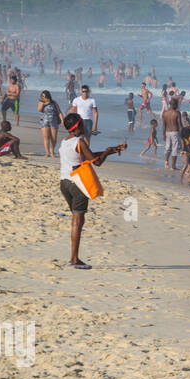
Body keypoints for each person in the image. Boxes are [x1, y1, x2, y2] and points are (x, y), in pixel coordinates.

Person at [58, 112, 126, 270]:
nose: (84, 127)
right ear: (77, 127)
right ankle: (74, 259)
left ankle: (74, 257)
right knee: (78, 221)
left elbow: (88, 157)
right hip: (78, 184)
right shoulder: (80, 141)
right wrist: (108, 151)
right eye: (81, 124)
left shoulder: (64, 142)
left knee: (76, 218)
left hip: (64, 183)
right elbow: (98, 163)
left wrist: (113, 150)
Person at [36, 90, 60, 157]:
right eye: (42, 96)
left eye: (45, 96)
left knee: (54, 137)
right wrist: (44, 103)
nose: (43, 97)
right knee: (46, 137)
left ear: (48, 96)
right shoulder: (41, 102)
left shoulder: (54, 102)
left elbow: (59, 112)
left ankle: (52, 151)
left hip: (53, 120)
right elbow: (39, 109)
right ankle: (47, 152)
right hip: (44, 120)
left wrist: (63, 120)